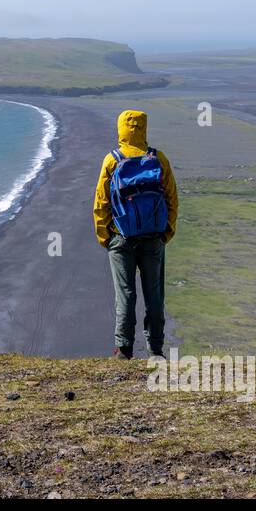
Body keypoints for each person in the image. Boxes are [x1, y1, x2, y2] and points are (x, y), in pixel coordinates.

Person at [93, 109, 178, 360]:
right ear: (144, 128)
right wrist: (166, 233)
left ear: (121, 128)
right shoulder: (158, 158)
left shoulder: (112, 160)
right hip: (153, 238)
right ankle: (155, 350)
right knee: (154, 293)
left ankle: (123, 348)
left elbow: (101, 202)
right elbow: (172, 197)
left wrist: (105, 237)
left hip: (121, 237)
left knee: (125, 293)